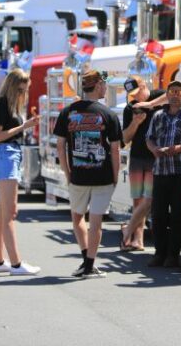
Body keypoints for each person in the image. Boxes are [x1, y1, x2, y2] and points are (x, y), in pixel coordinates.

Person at [54, 69, 121, 278]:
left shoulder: (68, 112)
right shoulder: (108, 114)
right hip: (103, 175)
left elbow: (60, 145)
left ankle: (86, 259)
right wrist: (116, 175)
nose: (104, 88)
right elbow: (116, 148)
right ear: (98, 85)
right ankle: (90, 263)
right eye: (103, 85)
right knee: (96, 221)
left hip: (78, 176)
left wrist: (66, 171)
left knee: (77, 217)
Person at [0, 69, 41, 276]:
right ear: (12, 87)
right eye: (21, 89)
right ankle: (16, 264)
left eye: (26, 90)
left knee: (2, 213)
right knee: (9, 212)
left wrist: (25, 125)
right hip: (5, 154)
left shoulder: (9, 105)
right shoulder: (1, 105)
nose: (24, 93)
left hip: (9, 154)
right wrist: (24, 127)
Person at [145, 80, 181, 268]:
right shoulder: (158, 115)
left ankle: (173, 255)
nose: (175, 95)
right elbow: (149, 139)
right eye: (172, 91)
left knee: (177, 215)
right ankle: (159, 253)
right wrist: (154, 150)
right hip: (161, 171)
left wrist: (178, 149)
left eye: (179, 92)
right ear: (166, 95)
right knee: (158, 214)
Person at [120, 76, 167, 251]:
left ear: (144, 86)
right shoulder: (130, 108)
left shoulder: (158, 96)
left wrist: (148, 105)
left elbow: (172, 95)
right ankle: (137, 240)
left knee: (149, 199)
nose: (135, 98)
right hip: (138, 157)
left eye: (137, 92)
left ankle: (129, 230)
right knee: (138, 200)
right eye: (131, 95)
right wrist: (135, 122)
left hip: (155, 157)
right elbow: (124, 139)